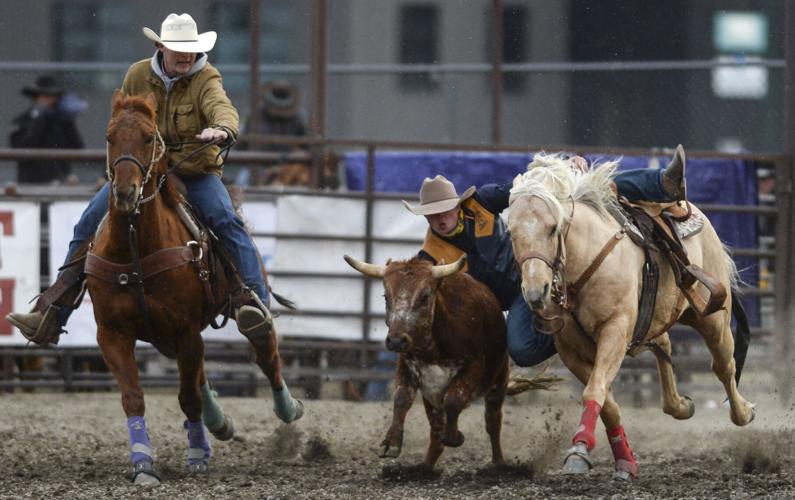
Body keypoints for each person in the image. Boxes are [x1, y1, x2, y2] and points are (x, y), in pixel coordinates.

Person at [6, 13, 272, 347]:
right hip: (142, 171)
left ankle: (256, 303)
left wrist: (223, 128)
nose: (186, 55)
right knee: (88, 222)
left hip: (195, 171)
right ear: (161, 47)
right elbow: (122, 122)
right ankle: (52, 312)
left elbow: (220, 105)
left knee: (225, 219)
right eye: (179, 49)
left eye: (190, 49)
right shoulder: (137, 74)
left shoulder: (206, 76)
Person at [402, 147, 687, 368]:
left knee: (596, 186)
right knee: (522, 352)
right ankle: (574, 335)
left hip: (538, 271)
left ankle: (662, 182)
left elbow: (530, 187)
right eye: (432, 214)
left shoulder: (482, 202)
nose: (439, 219)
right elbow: (416, 281)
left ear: (456, 205)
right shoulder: (433, 248)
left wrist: (567, 165)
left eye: (443, 210)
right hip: (519, 297)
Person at [9, 74, 84, 184]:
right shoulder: (22, 120)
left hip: (59, 179)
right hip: (29, 181)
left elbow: (77, 147)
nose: (48, 100)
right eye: (44, 96)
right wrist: (38, 121)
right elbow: (20, 149)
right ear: (35, 97)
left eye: (52, 96)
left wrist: (65, 121)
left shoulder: (63, 121)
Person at [237, 80, 311, 187]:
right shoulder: (254, 115)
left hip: (287, 169)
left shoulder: (299, 117)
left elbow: (307, 146)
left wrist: (287, 165)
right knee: (243, 182)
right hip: (258, 166)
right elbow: (240, 145)